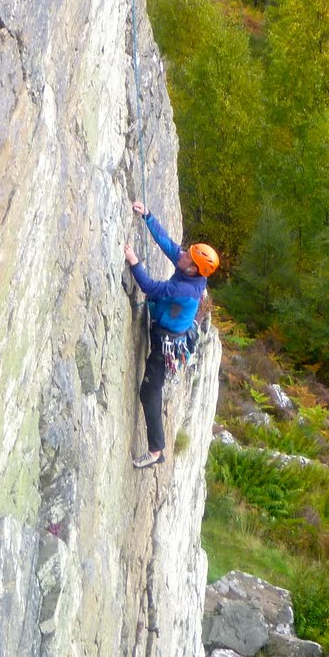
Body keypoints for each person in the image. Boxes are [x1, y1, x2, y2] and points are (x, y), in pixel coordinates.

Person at [124, 200, 219, 470]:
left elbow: (152, 288)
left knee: (148, 391)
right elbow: (168, 244)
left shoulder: (187, 290)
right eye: (188, 253)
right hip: (165, 329)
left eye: (188, 257)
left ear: (194, 269)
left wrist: (134, 263)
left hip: (168, 342)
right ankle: (157, 449)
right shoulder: (190, 269)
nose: (183, 255)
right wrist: (148, 217)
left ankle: (156, 450)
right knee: (149, 390)